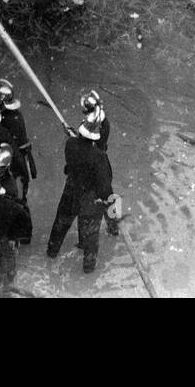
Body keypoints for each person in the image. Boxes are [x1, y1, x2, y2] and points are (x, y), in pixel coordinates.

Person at [46, 111, 118, 273]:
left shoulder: (70, 144)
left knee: (61, 223)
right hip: (90, 200)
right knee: (90, 236)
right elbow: (105, 187)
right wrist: (109, 204)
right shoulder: (99, 157)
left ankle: (51, 252)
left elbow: (76, 141)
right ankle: (88, 268)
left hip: (71, 192)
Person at [0, 79, 36, 199]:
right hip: (19, 156)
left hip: (15, 159)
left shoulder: (8, 119)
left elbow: (4, 140)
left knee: (13, 190)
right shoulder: (15, 114)